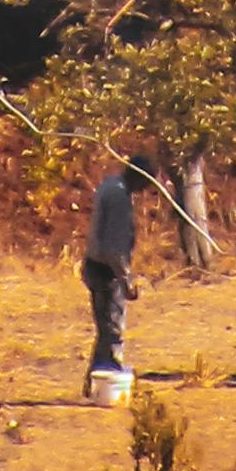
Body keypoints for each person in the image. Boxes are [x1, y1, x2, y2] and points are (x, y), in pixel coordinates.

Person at [82, 157, 140, 389]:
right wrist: (126, 279)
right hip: (107, 271)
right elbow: (114, 248)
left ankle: (94, 381)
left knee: (105, 328)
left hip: (93, 263)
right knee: (113, 330)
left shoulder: (110, 184)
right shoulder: (119, 198)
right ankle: (106, 380)